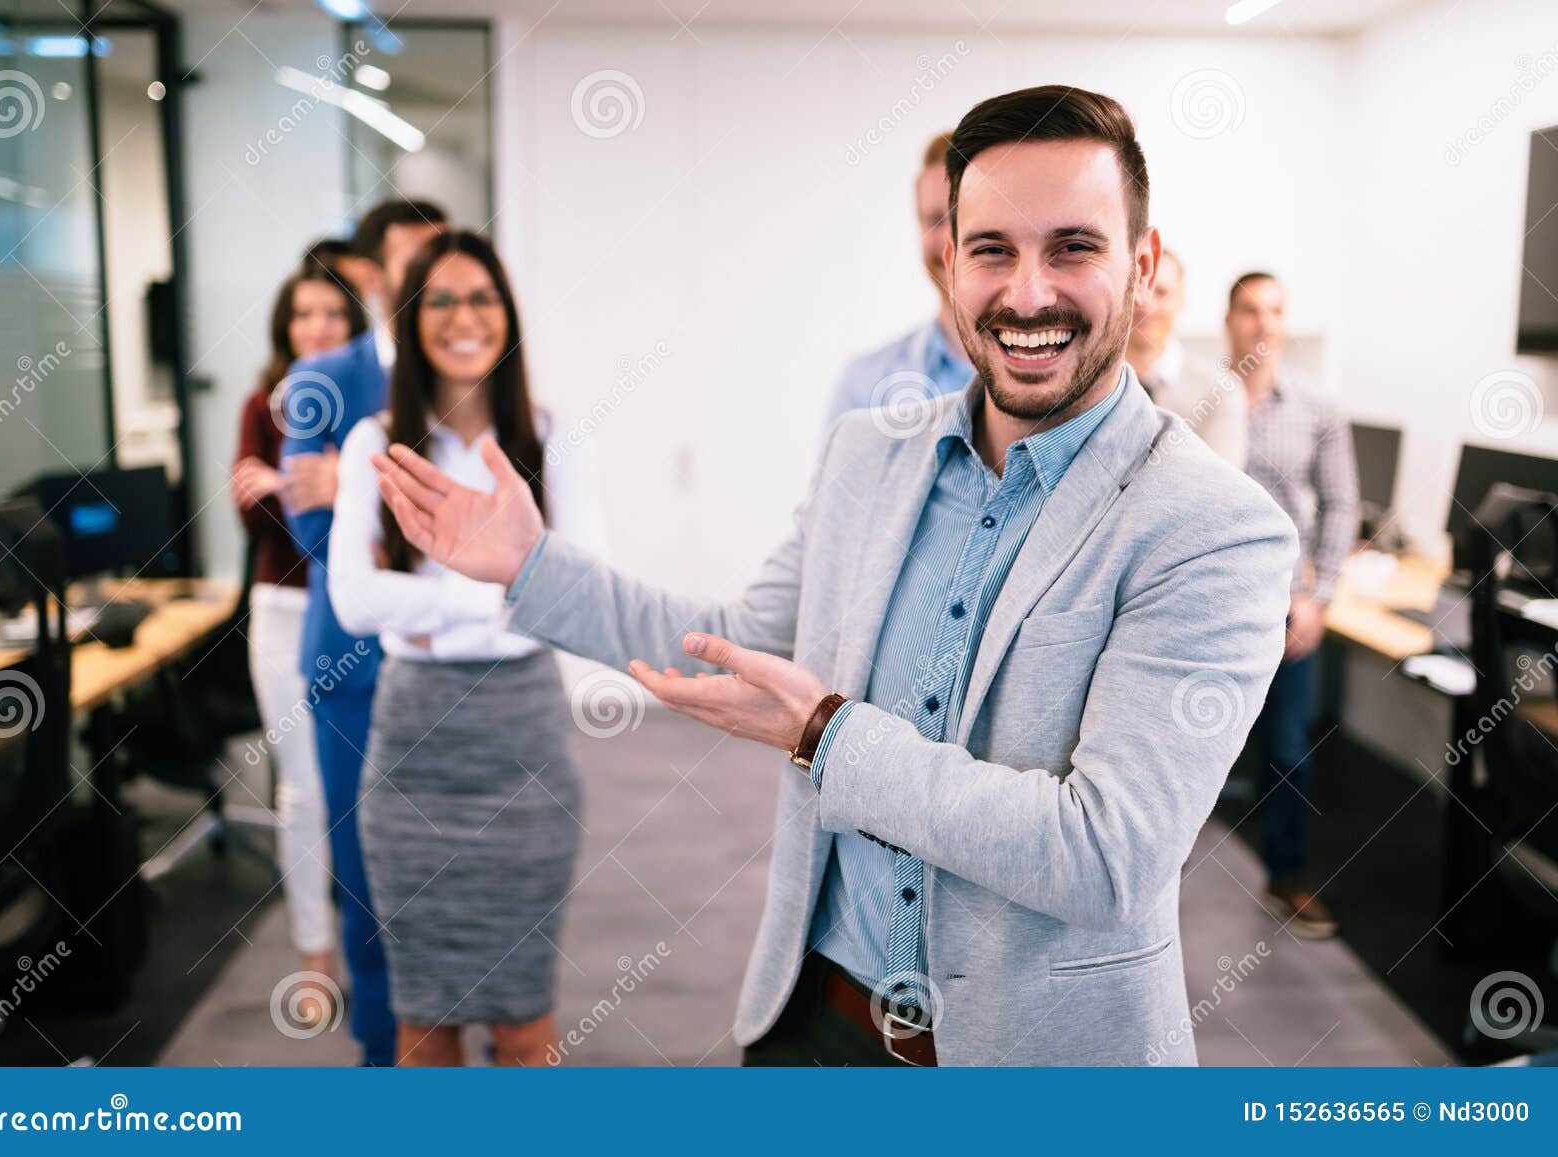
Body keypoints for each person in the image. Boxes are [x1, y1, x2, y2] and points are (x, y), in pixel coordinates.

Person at [373, 86, 1299, 1067]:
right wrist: (531, 564)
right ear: (948, 265)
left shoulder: (1215, 527)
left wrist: (829, 735)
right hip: (817, 1021)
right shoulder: (868, 455)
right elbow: (735, 636)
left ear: (1143, 265)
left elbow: (1104, 853)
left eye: (1073, 246)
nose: (1027, 292)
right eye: (990, 249)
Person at [327, 231, 583, 1067]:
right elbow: (354, 600)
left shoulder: (551, 437)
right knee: (423, 1018)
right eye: (439, 299)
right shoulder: (376, 441)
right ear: (411, 318)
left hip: (525, 747)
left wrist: (442, 607)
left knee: (522, 1019)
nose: (462, 317)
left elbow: (580, 597)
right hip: (416, 754)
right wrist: (498, 591)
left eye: (480, 297)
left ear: (506, 315)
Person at [280, 197, 447, 1066]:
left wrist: (350, 486)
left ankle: (454, 1045)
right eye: (412, 266)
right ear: (377, 276)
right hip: (356, 666)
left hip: (460, 670)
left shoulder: (474, 376)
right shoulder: (324, 381)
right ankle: (385, 1057)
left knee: (455, 875)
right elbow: (314, 540)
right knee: (371, 882)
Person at [231, 262, 366, 1003]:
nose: (316, 327)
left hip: (356, 610)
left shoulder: (372, 406)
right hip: (282, 611)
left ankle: (377, 942)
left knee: (368, 785)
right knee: (305, 789)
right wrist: (314, 484)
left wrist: (300, 484)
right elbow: (255, 516)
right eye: (302, 314)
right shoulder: (263, 404)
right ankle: (316, 953)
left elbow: (375, 518)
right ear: (285, 325)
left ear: (352, 327)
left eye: (332, 315)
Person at [1230, 270, 1359, 940]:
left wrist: (1321, 595)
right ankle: (1152, 891)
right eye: (1250, 310)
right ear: (1230, 320)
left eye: (1274, 311)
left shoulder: (1317, 407)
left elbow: (1341, 503)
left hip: (1285, 611)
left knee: (1288, 750)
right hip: (1209, 610)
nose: (1263, 324)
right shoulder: (1202, 401)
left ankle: (1286, 877)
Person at [823, 132, 972, 426]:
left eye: (962, 217)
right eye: (934, 220)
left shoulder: (1056, 372)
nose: (949, 242)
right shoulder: (863, 387)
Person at [1126, 250, 1248, 467]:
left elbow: (1221, 485)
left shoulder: (1220, 390)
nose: (1147, 305)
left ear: (1181, 301)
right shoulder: (1092, 384)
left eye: (1161, 292)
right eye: (1138, 289)